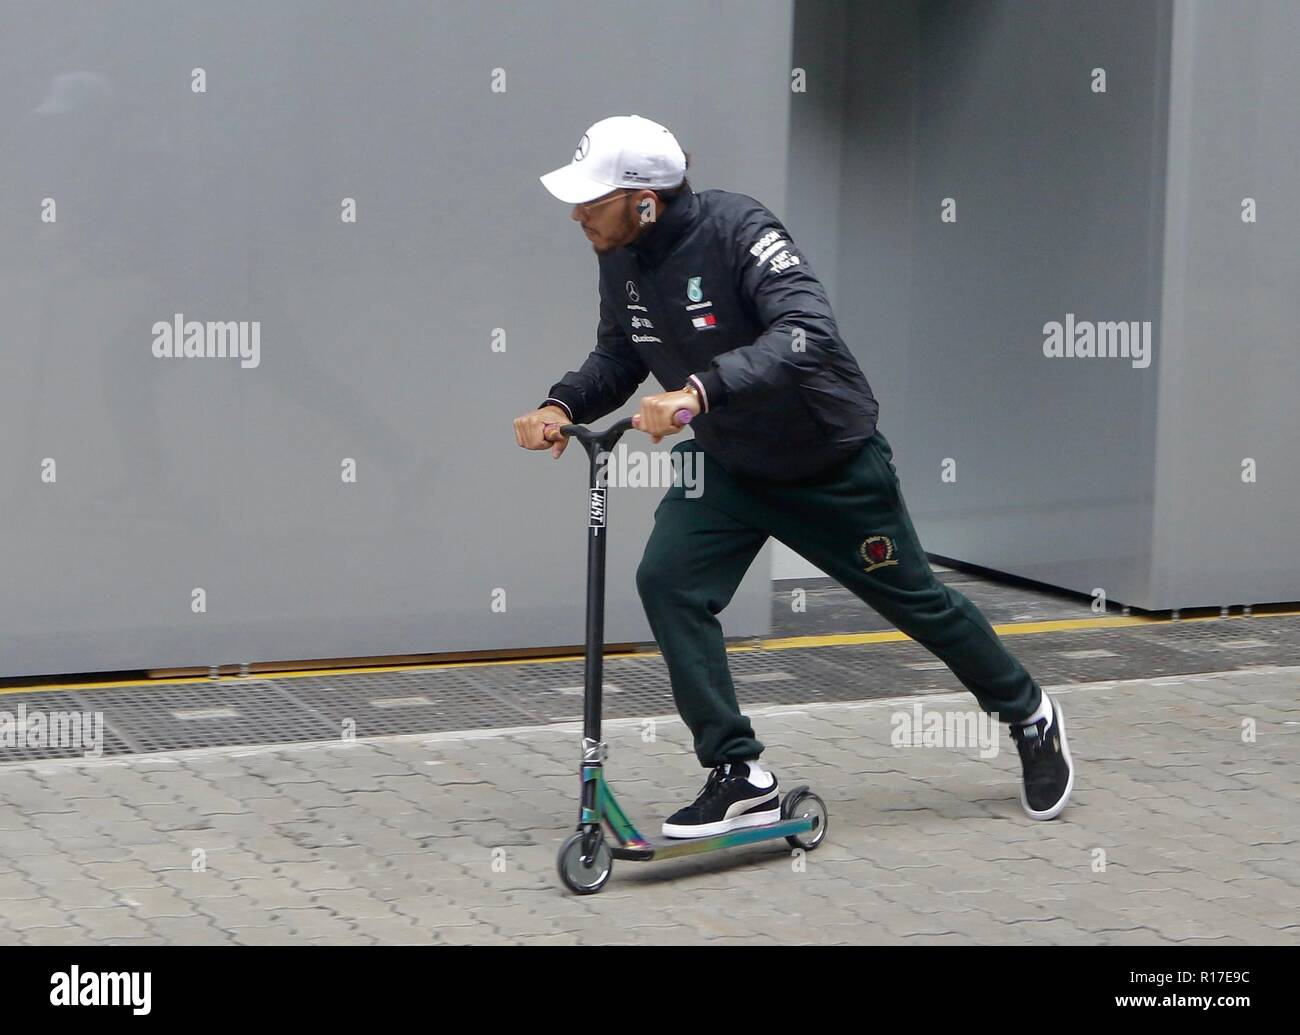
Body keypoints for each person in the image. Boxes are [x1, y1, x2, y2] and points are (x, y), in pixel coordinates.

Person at [513, 115, 1074, 838]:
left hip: (826, 464)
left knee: (921, 605)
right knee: (669, 581)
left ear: (646, 200)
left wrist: (698, 392)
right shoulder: (619, 254)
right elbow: (621, 354)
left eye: (594, 198)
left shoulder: (739, 228)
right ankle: (739, 773)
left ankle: (1028, 712)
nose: (577, 212)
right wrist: (560, 404)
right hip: (727, 463)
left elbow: (805, 330)